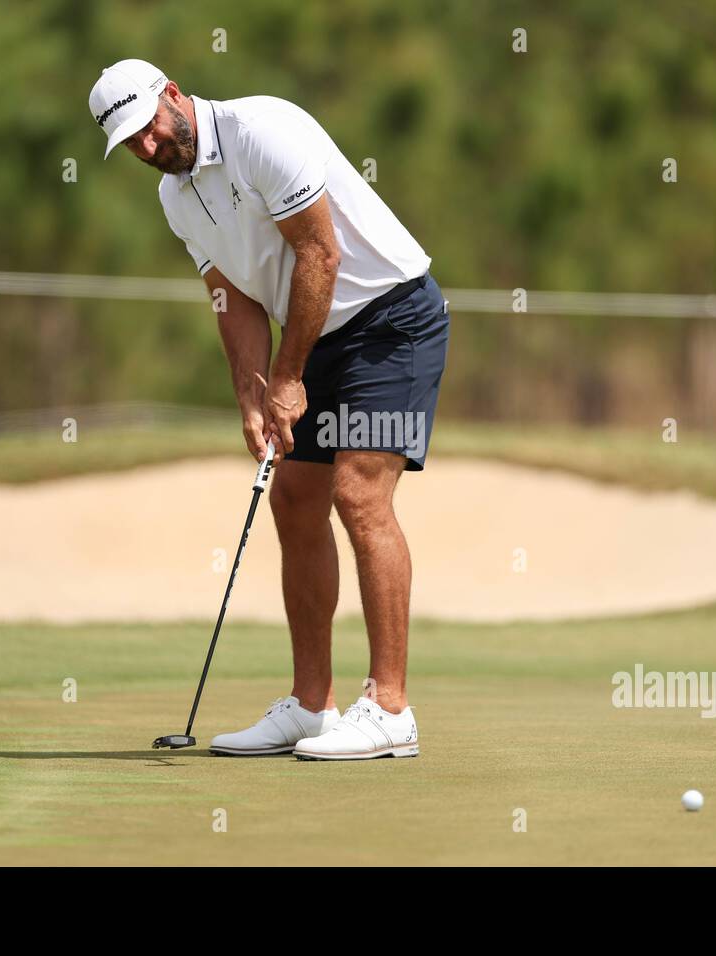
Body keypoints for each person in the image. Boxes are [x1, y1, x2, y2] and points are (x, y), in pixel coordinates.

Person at [89, 59, 449, 760]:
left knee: (359, 493)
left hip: (393, 320)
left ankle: (391, 709)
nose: (147, 148)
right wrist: (252, 391)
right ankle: (312, 706)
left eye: (149, 129)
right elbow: (233, 295)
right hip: (314, 332)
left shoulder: (264, 132)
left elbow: (320, 255)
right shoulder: (175, 197)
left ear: (172, 95)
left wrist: (289, 374)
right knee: (293, 498)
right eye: (129, 144)